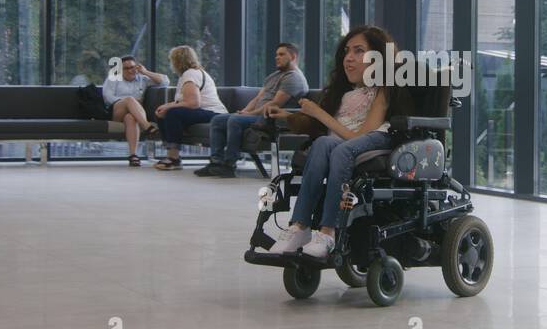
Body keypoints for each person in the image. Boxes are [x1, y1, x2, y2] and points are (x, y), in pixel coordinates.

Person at [266, 26, 394, 259]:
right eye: (347, 51)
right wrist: (291, 115)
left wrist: (318, 113)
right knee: (323, 143)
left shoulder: (382, 91)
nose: (349, 58)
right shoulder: (346, 92)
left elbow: (361, 136)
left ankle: (328, 231)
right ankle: (300, 226)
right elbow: (329, 126)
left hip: (373, 142)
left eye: (358, 51)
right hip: (338, 144)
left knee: (339, 150)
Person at [195, 42, 309, 178]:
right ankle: (216, 162)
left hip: (270, 118)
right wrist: (244, 111)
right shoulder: (274, 76)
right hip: (257, 114)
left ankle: (229, 164)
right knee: (218, 120)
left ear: (293, 56)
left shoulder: (294, 78)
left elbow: (274, 104)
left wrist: (249, 114)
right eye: (276, 55)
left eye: (282, 54)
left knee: (234, 120)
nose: (277, 57)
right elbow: (257, 99)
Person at [153, 46, 227, 170]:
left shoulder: (190, 74)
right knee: (164, 112)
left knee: (172, 113)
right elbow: (186, 101)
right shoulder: (189, 74)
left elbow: (194, 103)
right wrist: (167, 106)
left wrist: (168, 106)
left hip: (215, 113)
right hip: (204, 112)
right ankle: (172, 155)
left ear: (176, 61)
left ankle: (174, 158)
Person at [101, 55, 168, 167]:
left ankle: (133, 155)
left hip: (135, 114)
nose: (130, 70)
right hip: (116, 111)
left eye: (132, 67)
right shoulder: (114, 78)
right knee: (130, 99)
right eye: (126, 68)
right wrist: (127, 102)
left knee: (130, 118)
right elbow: (107, 97)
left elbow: (165, 81)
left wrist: (145, 72)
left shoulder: (143, 79)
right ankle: (147, 127)